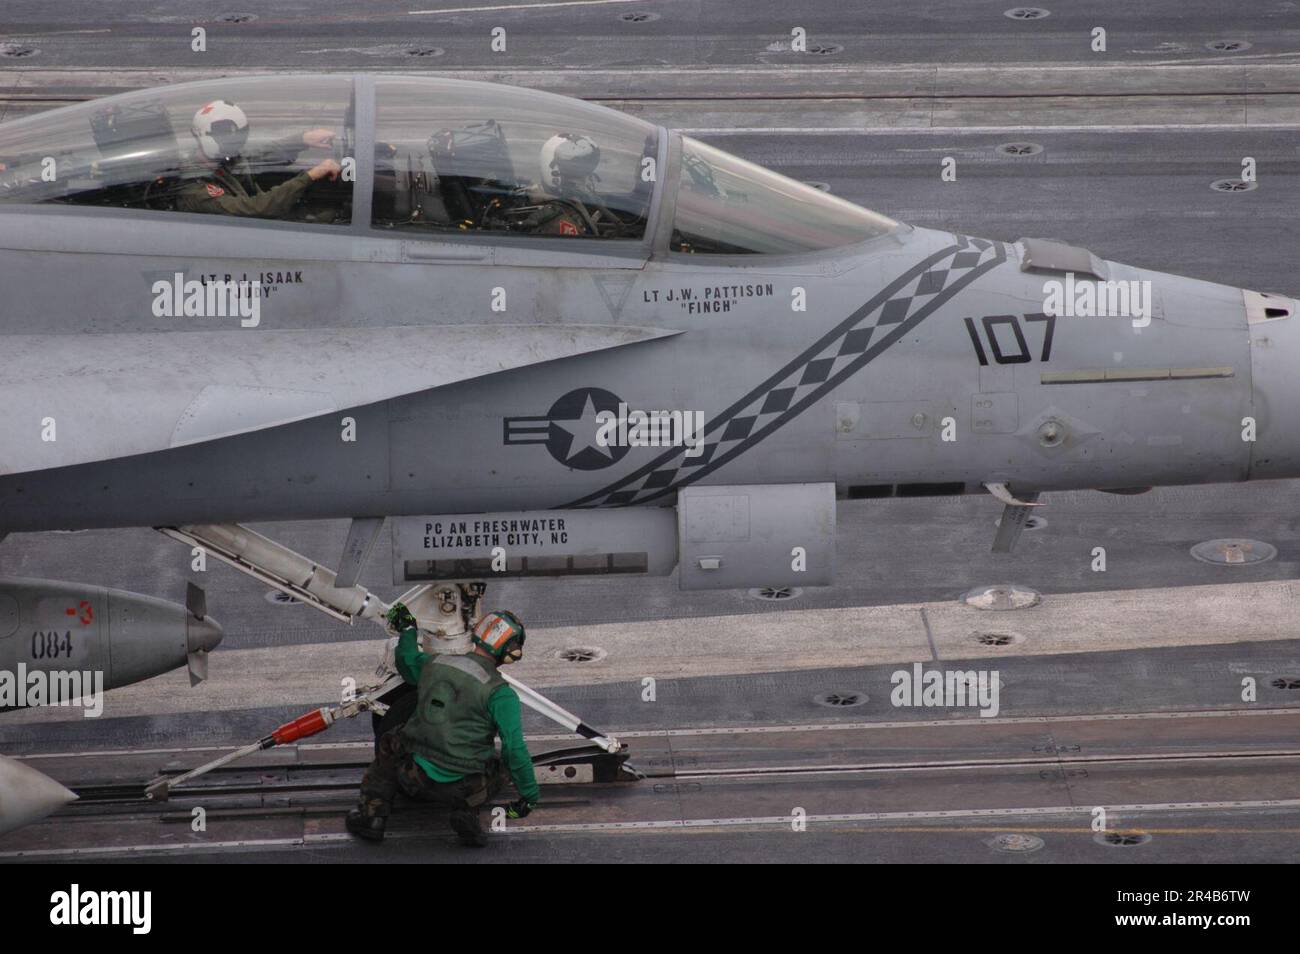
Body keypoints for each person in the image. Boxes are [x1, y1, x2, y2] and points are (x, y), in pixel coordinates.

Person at [346, 603, 540, 846]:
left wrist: (408, 628)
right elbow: (516, 751)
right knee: (503, 762)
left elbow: (405, 659)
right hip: (467, 787)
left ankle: (372, 818)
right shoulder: (501, 695)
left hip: (414, 777)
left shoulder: (435, 665)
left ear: (477, 634)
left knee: (391, 741)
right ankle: (466, 812)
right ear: (511, 653)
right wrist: (529, 796)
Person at [177, 99, 342, 218]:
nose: (236, 144)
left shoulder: (220, 160)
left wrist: (303, 139)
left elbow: (259, 155)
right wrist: (310, 176)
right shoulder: (195, 190)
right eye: (230, 138)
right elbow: (256, 208)